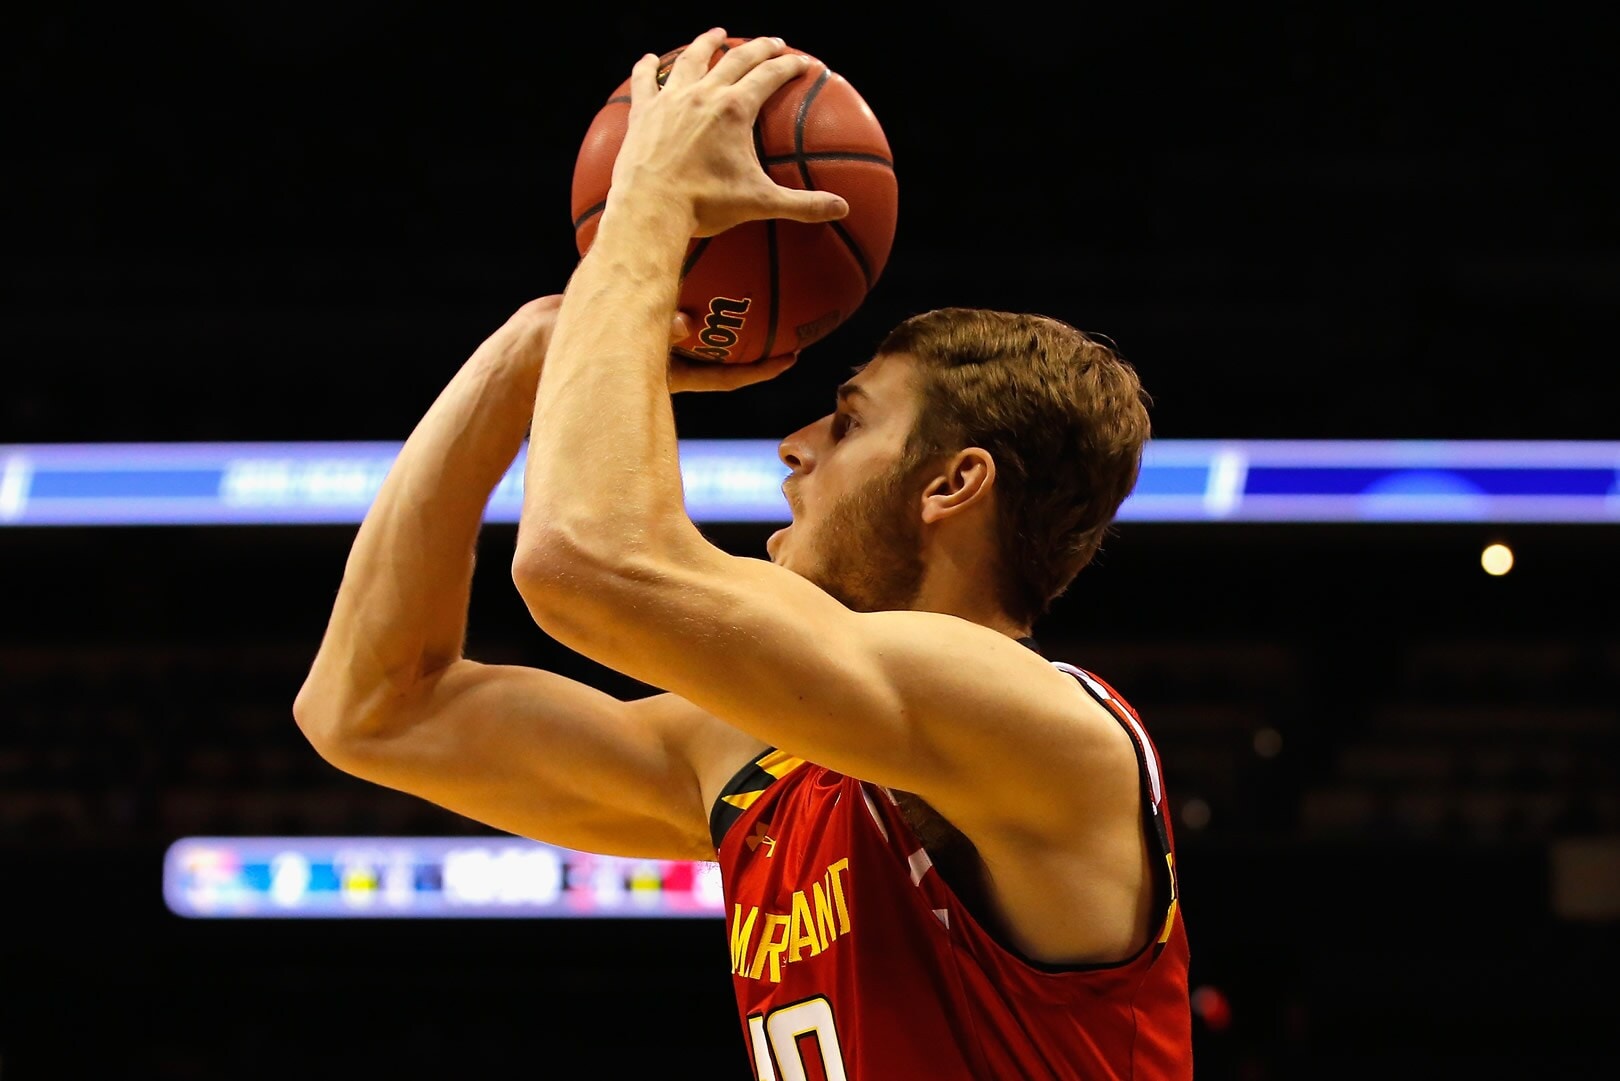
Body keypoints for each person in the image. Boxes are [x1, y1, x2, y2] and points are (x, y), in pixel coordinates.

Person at [293, 28, 1191, 1079]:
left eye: (849, 423)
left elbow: (587, 559)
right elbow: (371, 707)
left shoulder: (1036, 729)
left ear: (954, 484)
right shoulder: (760, 766)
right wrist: (532, 348)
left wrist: (650, 208)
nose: (795, 444)